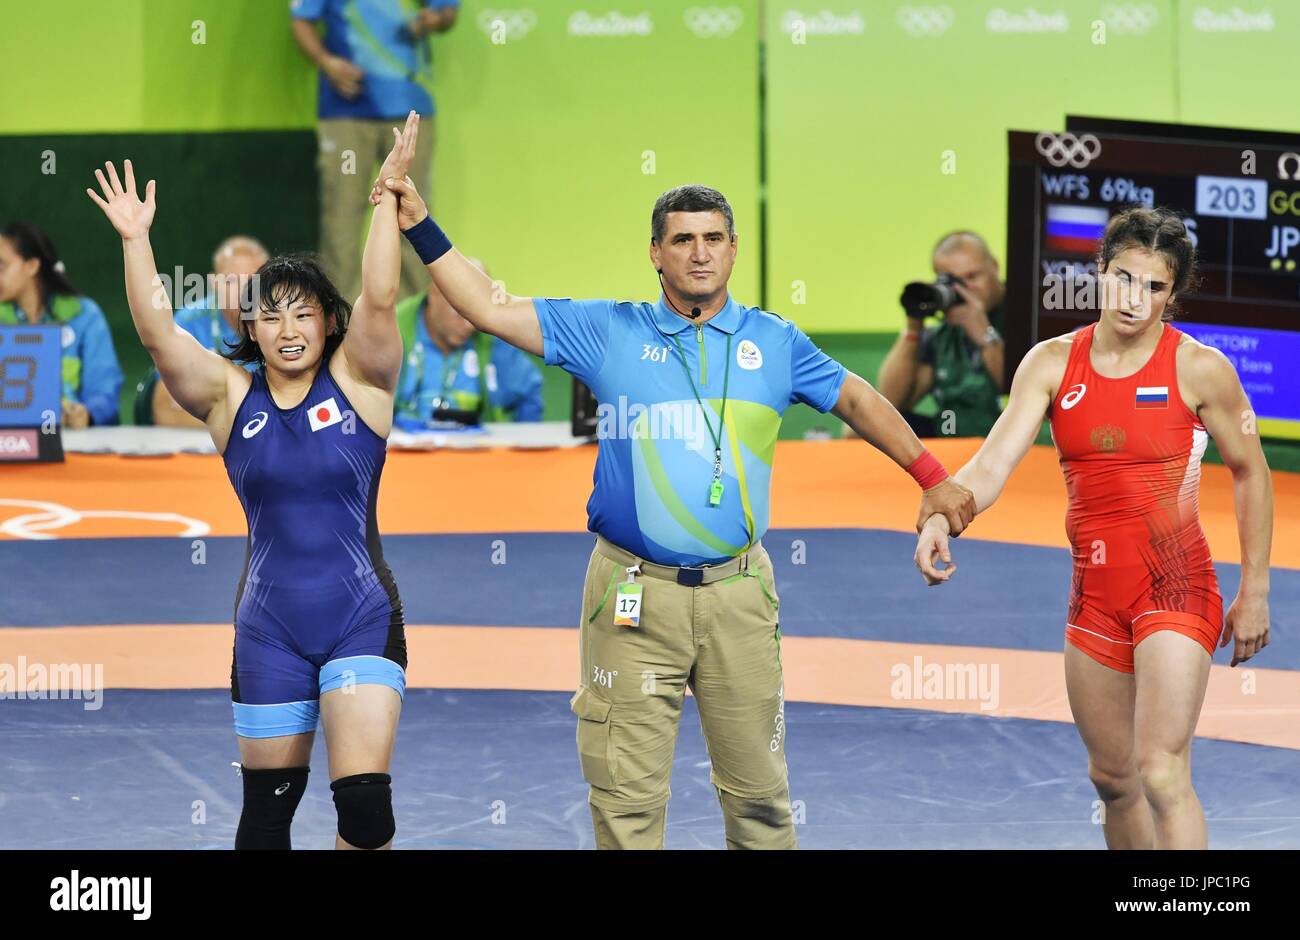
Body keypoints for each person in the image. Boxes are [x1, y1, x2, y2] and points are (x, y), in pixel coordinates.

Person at [373, 176, 976, 849]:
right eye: (683, 240)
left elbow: (858, 399)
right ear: (655, 253)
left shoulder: (773, 342)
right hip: (633, 594)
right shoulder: (607, 331)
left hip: (739, 597)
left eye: (713, 239)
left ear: (733, 249)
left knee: (763, 807)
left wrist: (932, 478)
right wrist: (420, 222)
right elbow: (486, 304)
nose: (699, 253)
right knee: (626, 807)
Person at [87, 112, 422, 850]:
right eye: (271, 316)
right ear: (252, 328)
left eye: (304, 313)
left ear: (327, 323)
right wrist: (137, 241)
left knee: (365, 815)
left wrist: (386, 203)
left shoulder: (365, 382)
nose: (289, 327)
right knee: (265, 822)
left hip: (360, 620)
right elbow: (157, 334)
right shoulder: (229, 399)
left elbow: (377, 297)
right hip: (267, 628)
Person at [914, 207, 1273, 850]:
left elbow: (1251, 471)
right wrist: (944, 511)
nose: (1136, 299)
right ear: (1099, 273)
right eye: (1124, 278)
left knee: (1162, 772)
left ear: (1173, 292)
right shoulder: (1050, 364)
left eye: (1155, 287)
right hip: (1095, 596)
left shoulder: (1200, 369)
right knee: (1113, 778)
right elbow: (993, 462)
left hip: (1176, 586)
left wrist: (1256, 589)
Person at [291, 0, 458, 301]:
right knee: (342, 217)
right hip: (346, 112)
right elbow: (301, 21)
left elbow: (447, 12)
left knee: (414, 213)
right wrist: (328, 63)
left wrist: (430, 21)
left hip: (411, 107)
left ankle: (414, 316)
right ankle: (341, 319)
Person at [877, 231, 1007, 437]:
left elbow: (1020, 392)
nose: (965, 289)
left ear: (995, 266)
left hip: (1014, 442)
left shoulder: (1026, 313)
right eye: (954, 281)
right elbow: (890, 403)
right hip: (950, 439)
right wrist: (913, 327)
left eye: (972, 276)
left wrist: (984, 335)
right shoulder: (942, 334)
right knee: (862, 427)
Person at [0, 222, 123, 427]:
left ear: (32, 266)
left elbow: (105, 391)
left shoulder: (84, 315)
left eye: (1, 266)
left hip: (75, 442)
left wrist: (87, 413)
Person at [394, 260, 544, 425]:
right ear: (434, 294)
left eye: (475, 317)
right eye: (461, 314)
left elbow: (529, 393)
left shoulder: (491, 336)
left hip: (472, 447)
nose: (470, 326)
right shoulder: (390, 329)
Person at [145, 236, 269, 427]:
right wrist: (236, 429)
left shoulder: (283, 323)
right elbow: (164, 411)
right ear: (214, 283)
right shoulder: (188, 323)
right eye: (231, 281)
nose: (244, 291)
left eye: (253, 280)